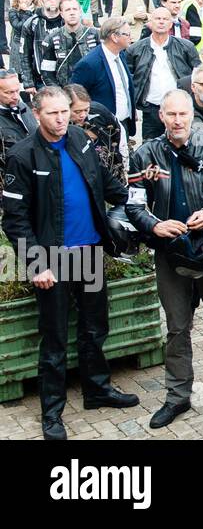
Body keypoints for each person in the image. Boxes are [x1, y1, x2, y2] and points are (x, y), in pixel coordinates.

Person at [1, 86, 138, 440]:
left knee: (95, 327)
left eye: (65, 111)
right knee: (55, 338)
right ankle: (52, 413)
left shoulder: (80, 138)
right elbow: (14, 219)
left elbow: (104, 182)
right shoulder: (22, 155)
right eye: (53, 113)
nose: (62, 119)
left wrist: (136, 200)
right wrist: (35, 264)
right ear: (36, 114)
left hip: (89, 252)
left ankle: (97, 390)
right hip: (51, 259)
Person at [125, 88, 203, 429]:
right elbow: (133, 204)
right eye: (171, 114)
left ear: (193, 116)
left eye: (183, 114)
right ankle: (177, 397)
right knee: (177, 328)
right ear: (161, 116)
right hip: (170, 253)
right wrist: (155, 225)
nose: (178, 120)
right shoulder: (144, 155)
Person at [126, 4, 202, 140]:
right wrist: (132, 107)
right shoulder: (136, 49)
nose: (161, 22)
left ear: (171, 24)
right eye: (157, 18)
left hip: (179, 107)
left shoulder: (186, 46)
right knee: (150, 149)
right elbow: (129, 80)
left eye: (165, 19)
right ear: (150, 23)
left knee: (183, 146)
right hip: (151, 108)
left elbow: (198, 74)